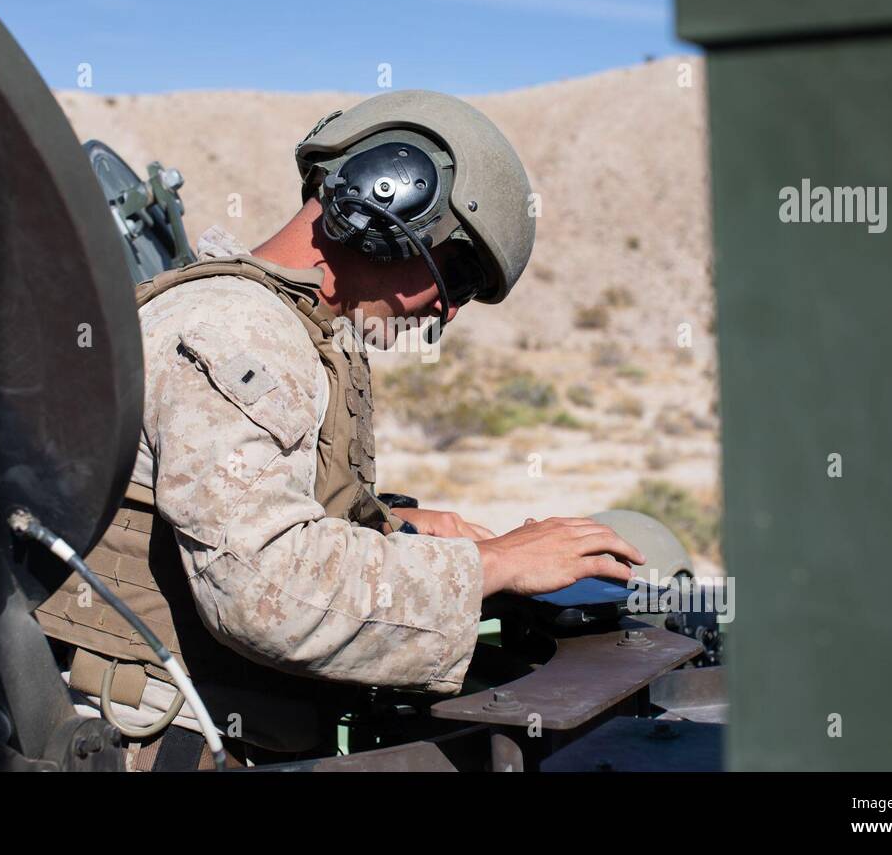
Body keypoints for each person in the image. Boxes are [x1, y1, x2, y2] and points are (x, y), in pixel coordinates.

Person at [36, 90, 644, 769]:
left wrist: (392, 527)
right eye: (460, 272)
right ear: (391, 197)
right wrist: (490, 568)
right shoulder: (237, 331)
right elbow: (265, 591)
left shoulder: (293, 327)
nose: (446, 310)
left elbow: (243, 510)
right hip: (176, 743)